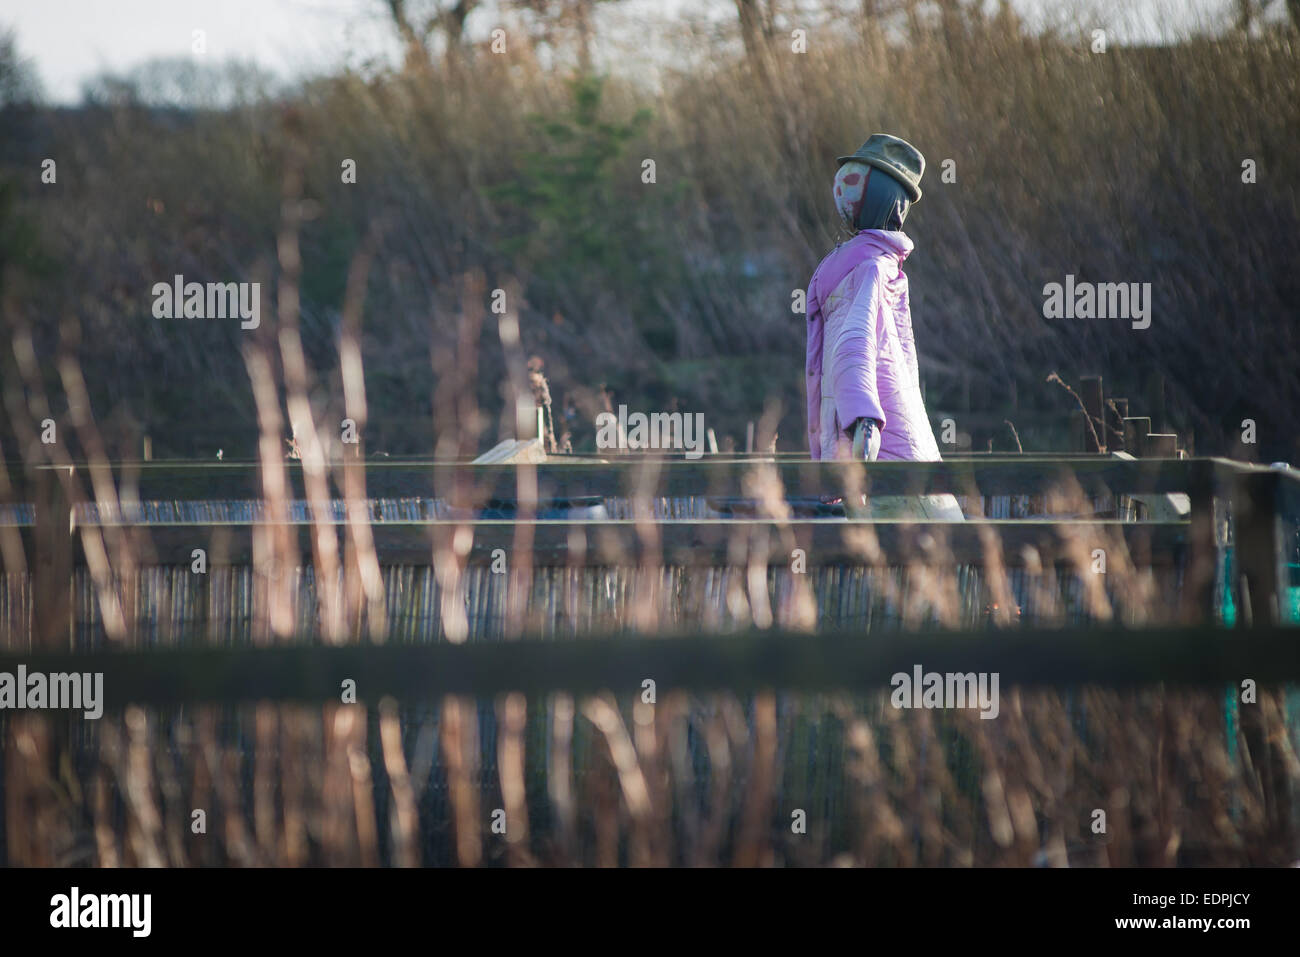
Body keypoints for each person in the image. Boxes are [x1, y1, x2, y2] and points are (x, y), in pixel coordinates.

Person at [804, 133, 963, 520]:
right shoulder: (871, 268)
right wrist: (865, 426)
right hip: (899, 471)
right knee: (956, 569)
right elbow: (853, 349)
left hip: (886, 468)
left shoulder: (859, 266)